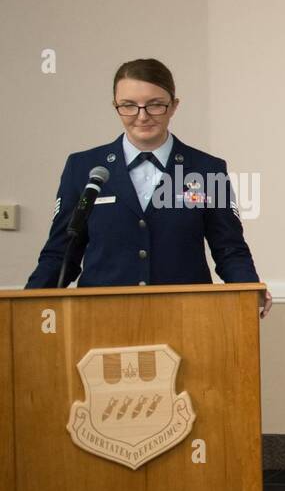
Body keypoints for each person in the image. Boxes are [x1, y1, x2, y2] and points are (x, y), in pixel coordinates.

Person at [26, 58, 270, 317]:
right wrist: (26, 307)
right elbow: (61, 253)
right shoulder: (83, 167)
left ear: (173, 106)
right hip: (100, 318)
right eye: (129, 105)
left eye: (155, 105)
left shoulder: (207, 169)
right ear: (116, 106)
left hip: (188, 318)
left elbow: (229, 248)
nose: (142, 116)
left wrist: (250, 291)